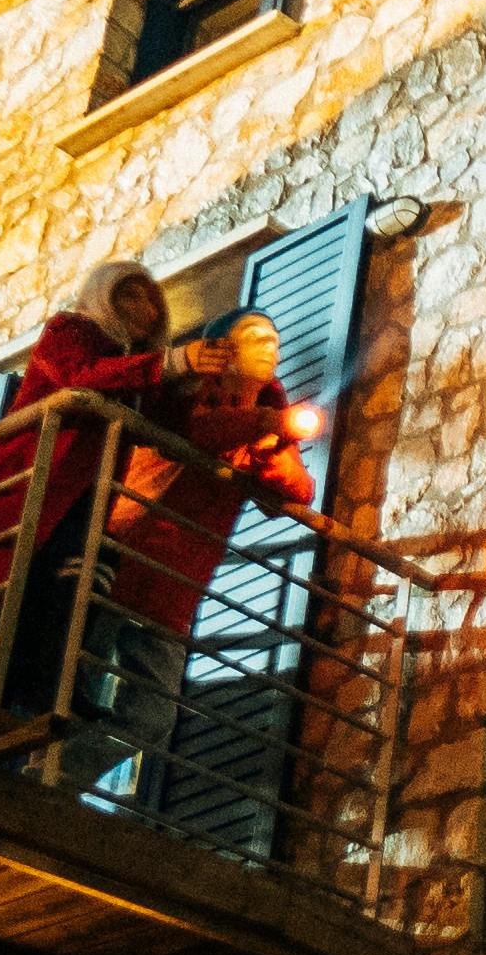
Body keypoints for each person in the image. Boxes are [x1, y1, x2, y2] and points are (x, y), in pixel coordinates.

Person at [0, 256, 178, 727]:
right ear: (104, 295)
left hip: (77, 497)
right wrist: (169, 364)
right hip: (26, 489)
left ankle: (52, 686)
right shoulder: (70, 330)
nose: (148, 309)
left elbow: (171, 425)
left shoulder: (135, 374)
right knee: (19, 591)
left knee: (73, 580)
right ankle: (3, 697)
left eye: (152, 300)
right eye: (132, 294)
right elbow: (79, 375)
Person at [87, 310, 322, 790]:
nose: (270, 345)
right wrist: (267, 423)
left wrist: (271, 444)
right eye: (253, 335)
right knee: (73, 688)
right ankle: (31, 776)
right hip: (118, 558)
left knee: (152, 716)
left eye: (274, 339)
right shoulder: (186, 390)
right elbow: (191, 432)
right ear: (223, 346)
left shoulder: (267, 412)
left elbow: (296, 491)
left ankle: (59, 777)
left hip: (173, 589)